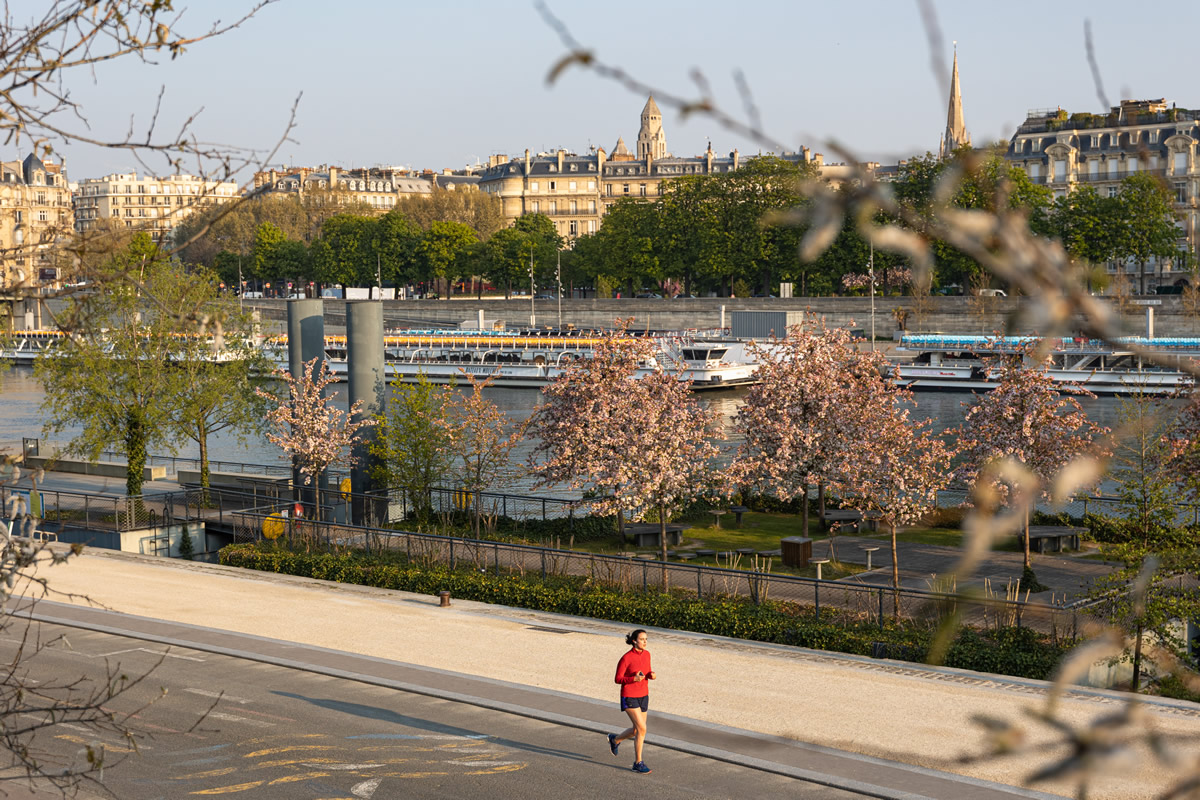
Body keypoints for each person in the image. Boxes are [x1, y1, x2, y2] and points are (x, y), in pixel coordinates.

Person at [608, 628, 655, 773]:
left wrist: (650, 675)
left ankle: (615, 740)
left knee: (636, 730)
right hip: (629, 696)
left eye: (646, 639)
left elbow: (646, 671)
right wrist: (633, 679)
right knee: (642, 729)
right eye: (642, 639)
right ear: (634, 641)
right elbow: (618, 679)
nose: (645, 642)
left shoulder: (647, 654)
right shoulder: (626, 658)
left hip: (643, 695)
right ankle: (638, 763)